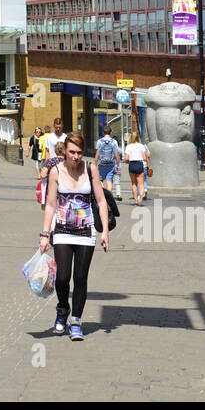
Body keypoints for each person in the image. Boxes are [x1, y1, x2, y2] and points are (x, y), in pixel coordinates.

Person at [39, 133, 111, 341]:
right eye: (72, 152)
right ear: (64, 151)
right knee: (62, 277)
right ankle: (63, 309)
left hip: (86, 231)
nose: (76, 156)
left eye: (79, 152)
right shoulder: (56, 171)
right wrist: (45, 235)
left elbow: (101, 201)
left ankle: (76, 321)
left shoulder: (91, 169)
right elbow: (50, 204)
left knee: (80, 278)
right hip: (61, 230)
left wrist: (104, 231)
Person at [124, 134, 150, 203]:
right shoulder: (141, 146)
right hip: (139, 164)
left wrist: (128, 161)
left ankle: (135, 200)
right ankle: (141, 196)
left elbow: (126, 158)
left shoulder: (128, 146)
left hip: (132, 164)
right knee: (141, 183)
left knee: (134, 184)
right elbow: (144, 158)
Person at [95, 128, 120, 199]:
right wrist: (117, 164)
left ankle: (103, 194)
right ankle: (109, 196)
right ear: (111, 132)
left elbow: (97, 154)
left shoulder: (99, 141)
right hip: (111, 164)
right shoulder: (114, 141)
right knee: (109, 181)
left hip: (102, 164)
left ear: (103, 132)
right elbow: (116, 154)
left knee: (100, 180)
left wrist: (95, 163)